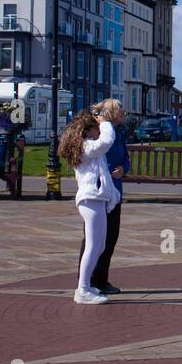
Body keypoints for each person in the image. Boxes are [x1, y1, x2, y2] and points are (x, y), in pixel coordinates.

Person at [58, 110, 120, 305]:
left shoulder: (89, 147)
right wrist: (105, 123)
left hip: (96, 199)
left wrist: (114, 196)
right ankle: (82, 289)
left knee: (99, 245)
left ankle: (86, 286)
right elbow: (106, 141)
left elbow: (104, 175)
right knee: (93, 246)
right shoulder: (87, 146)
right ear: (88, 129)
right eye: (95, 127)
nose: (98, 130)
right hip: (90, 200)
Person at [77, 99, 130, 294]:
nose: (124, 112)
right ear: (112, 113)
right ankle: (87, 281)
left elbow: (125, 158)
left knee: (110, 238)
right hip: (99, 193)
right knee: (94, 240)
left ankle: (101, 279)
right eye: (121, 109)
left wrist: (124, 169)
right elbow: (98, 158)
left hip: (115, 192)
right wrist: (109, 172)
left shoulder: (120, 134)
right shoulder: (100, 134)